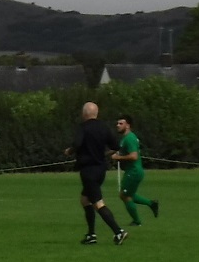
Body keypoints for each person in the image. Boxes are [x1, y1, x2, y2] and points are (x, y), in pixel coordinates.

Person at [67, 102, 127, 245]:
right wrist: (103, 154)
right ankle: (91, 235)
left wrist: (69, 151)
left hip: (88, 171)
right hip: (101, 169)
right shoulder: (104, 127)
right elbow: (115, 147)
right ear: (96, 113)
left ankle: (119, 232)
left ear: (84, 113)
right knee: (85, 200)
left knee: (98, 203)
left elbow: (77, 144)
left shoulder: (83, 128)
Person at [114, 116, 160, 226]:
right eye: (117, 123)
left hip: (133, 171)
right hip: (133, 171)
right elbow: (119, 149)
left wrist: (118, 158)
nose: (118, 125)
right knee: (130, 194)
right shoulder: (126, 138)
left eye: (121, 123)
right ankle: (151, 204)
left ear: (128, 125)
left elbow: (134, 156)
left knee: (124, 196)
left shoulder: (129, 138)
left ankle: (137, 221)